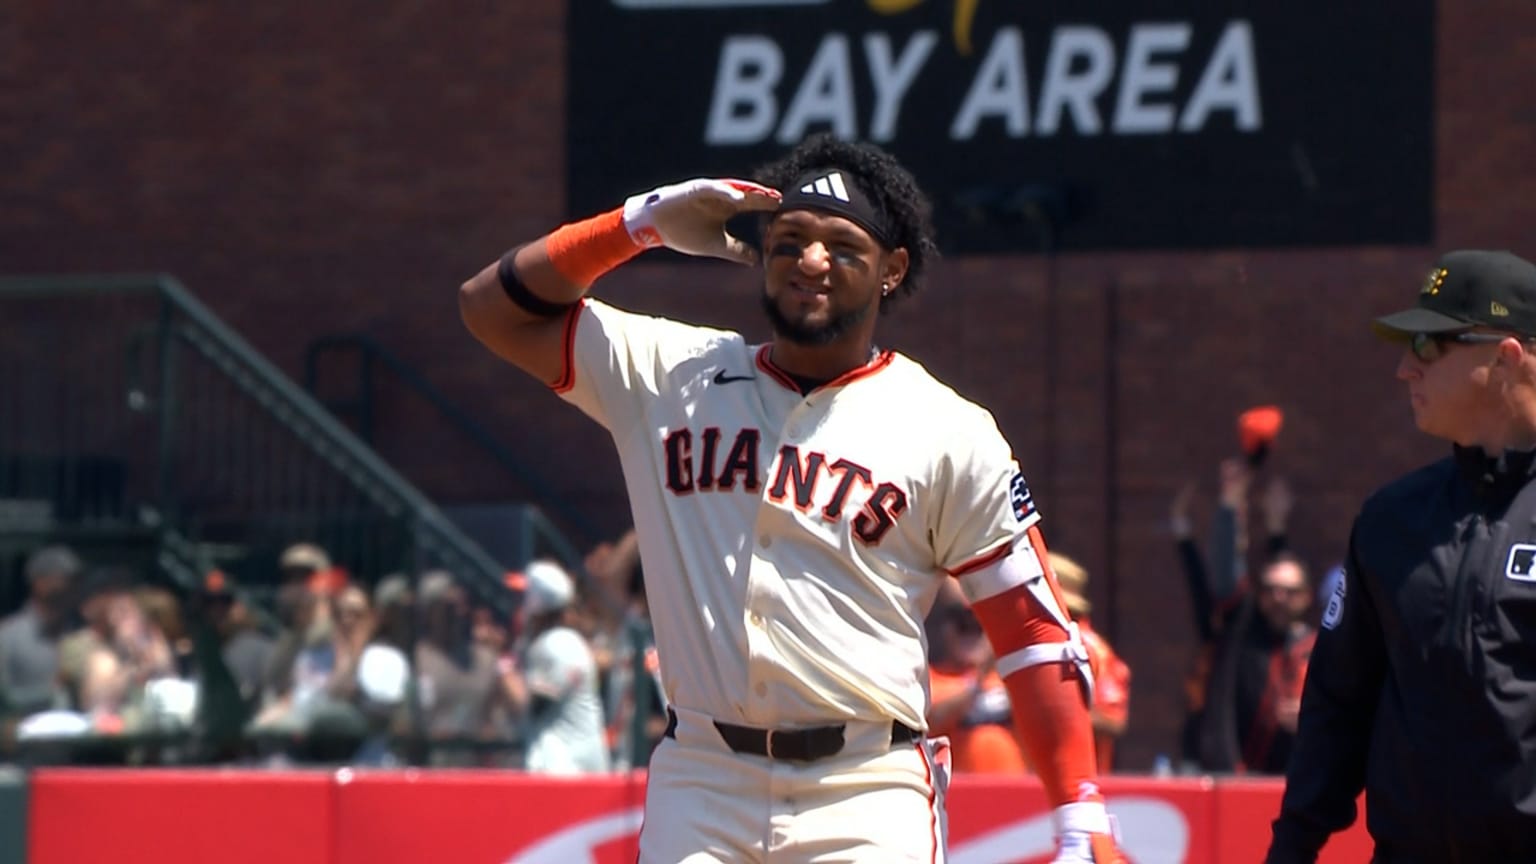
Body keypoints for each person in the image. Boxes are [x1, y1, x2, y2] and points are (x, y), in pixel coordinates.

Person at [459, 133, 1124, 862]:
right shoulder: (669, 373)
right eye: (790, 240)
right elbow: (490, 308)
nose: (812, 260)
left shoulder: (950, 429)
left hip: (866, 789)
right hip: (702, 780)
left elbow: (1034, 634)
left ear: (892, 269)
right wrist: (635, 226)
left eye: (842, 246)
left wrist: (1078, 812)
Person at [1266, 249, 1536, 862]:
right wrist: (1292, 848)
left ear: (1505, 355)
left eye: (1427, 346)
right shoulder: (1391, 519)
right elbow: (1338, 703)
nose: (1403, 370)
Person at [501, 560, 611, 775]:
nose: (518, 604)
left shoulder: (555, 644)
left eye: (522, 596)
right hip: (577, 767)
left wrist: (503, 667)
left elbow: (529, 706)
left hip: (565, 768)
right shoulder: (566, 641)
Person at [1048, 553, 1130, 773]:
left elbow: (1113, 721)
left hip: (1080, 779)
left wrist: (1053, 709)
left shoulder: (1095, 650)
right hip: (1026, 776)